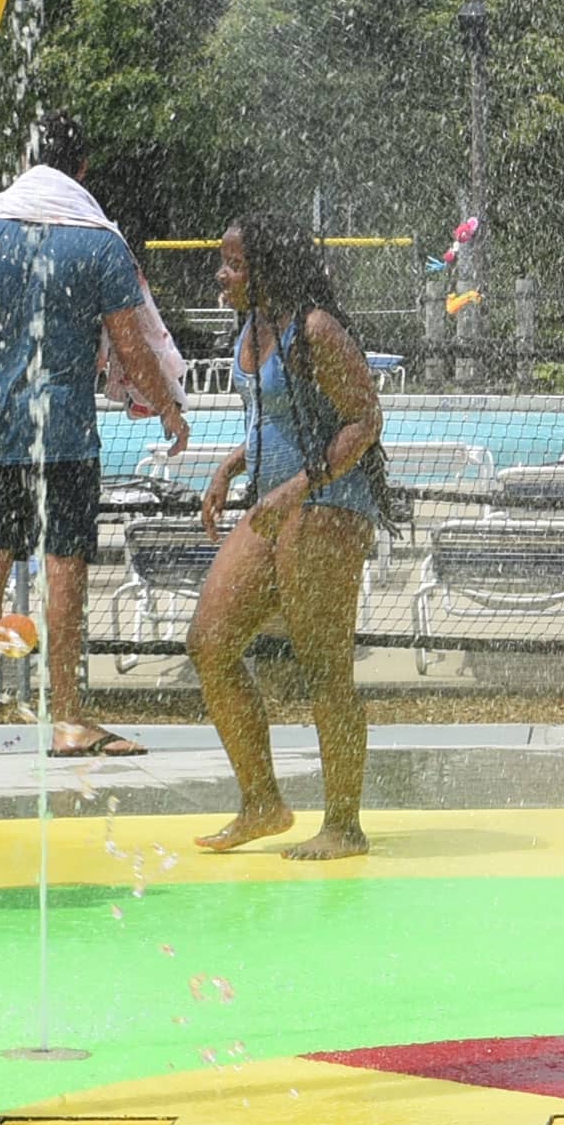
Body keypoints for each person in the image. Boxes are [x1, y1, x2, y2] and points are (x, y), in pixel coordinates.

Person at [0, 116, 187, 757]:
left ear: (27, 157)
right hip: (67, 436)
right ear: (81, 169)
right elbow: (131, 347)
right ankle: (68, 718)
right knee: (64, 573)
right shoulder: (98, 243)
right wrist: (167, 410)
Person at [190, 214, 389, 859]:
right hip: (274, 506)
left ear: (268, 268)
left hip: (330, 507)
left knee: (324, 667)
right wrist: (229, 466)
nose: (222, 274)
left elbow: (366, 420)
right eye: (223, 262)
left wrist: (299, 486)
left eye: (234, 263)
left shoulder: (315, 329)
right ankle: (263, 804)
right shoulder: (253, 328)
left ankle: (344, 826)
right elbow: (273, 421)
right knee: (211, 642)